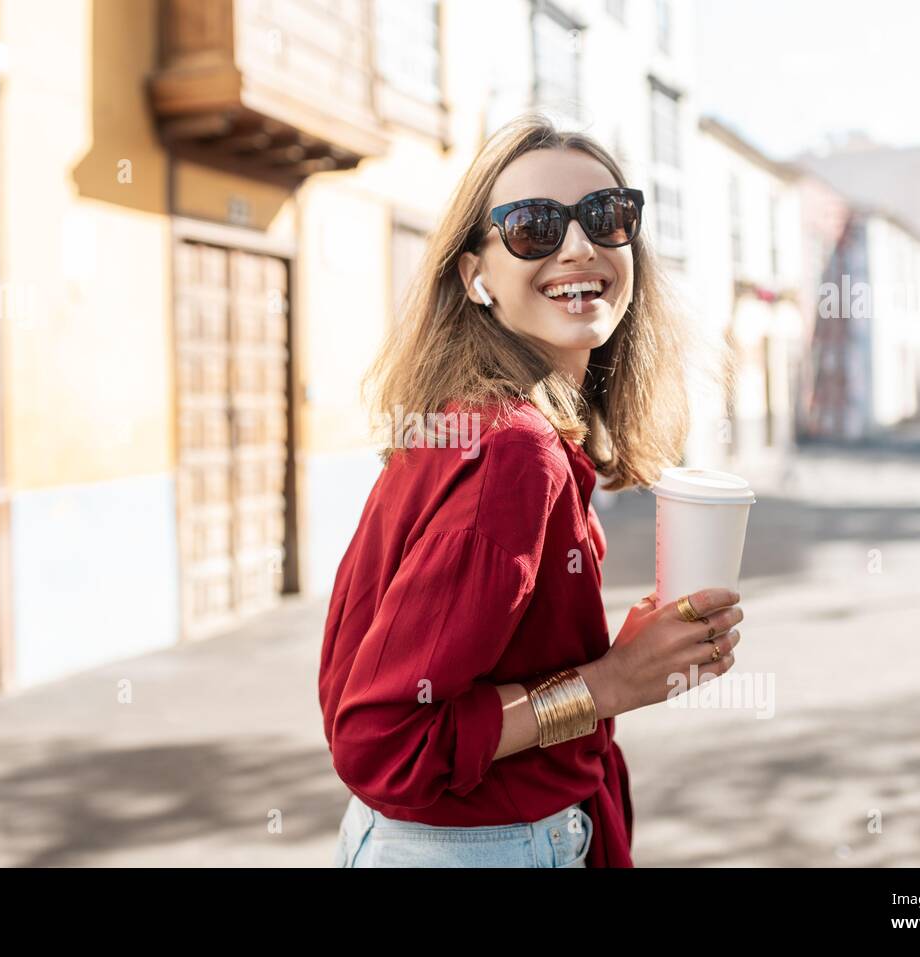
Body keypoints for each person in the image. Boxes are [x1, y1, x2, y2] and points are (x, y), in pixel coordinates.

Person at [318, 113, 744, 868]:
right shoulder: (515, 451)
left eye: (606, 218)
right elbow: (383, 741)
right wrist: (608, 683)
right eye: (533, 228)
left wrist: (629, 652)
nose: (579, 245)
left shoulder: (476, 425)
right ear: (475, 274)